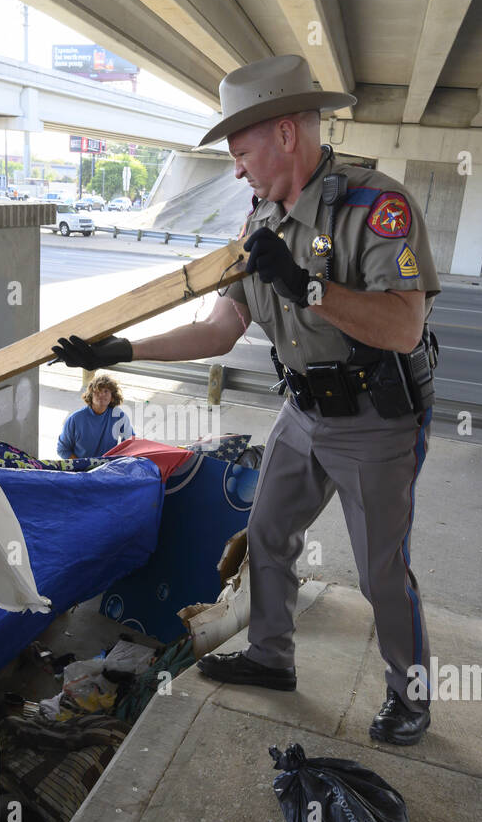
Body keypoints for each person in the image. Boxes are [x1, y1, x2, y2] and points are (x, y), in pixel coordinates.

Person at [50, 55, 442, 746]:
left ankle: (409, 697)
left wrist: (307, 287)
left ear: (285, 133)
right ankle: (271, 656)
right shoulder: (259, 220)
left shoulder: (374, 206)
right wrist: (120, 352)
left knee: (382, 569)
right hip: (304, 410)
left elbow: (404, 326)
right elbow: (219, 326)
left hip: (378, 419)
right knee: (265, 536)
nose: (236, 170)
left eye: (241, 152)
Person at [56, 373, 135, 459]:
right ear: (90, 396)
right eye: (97, 391)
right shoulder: (75, 419)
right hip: (80, 468)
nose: (101, 394)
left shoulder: (118, 416)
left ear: (112, 397)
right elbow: (62, 449)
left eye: (106, 391)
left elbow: (130, 443)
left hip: (107, 467)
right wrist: (80, 466)